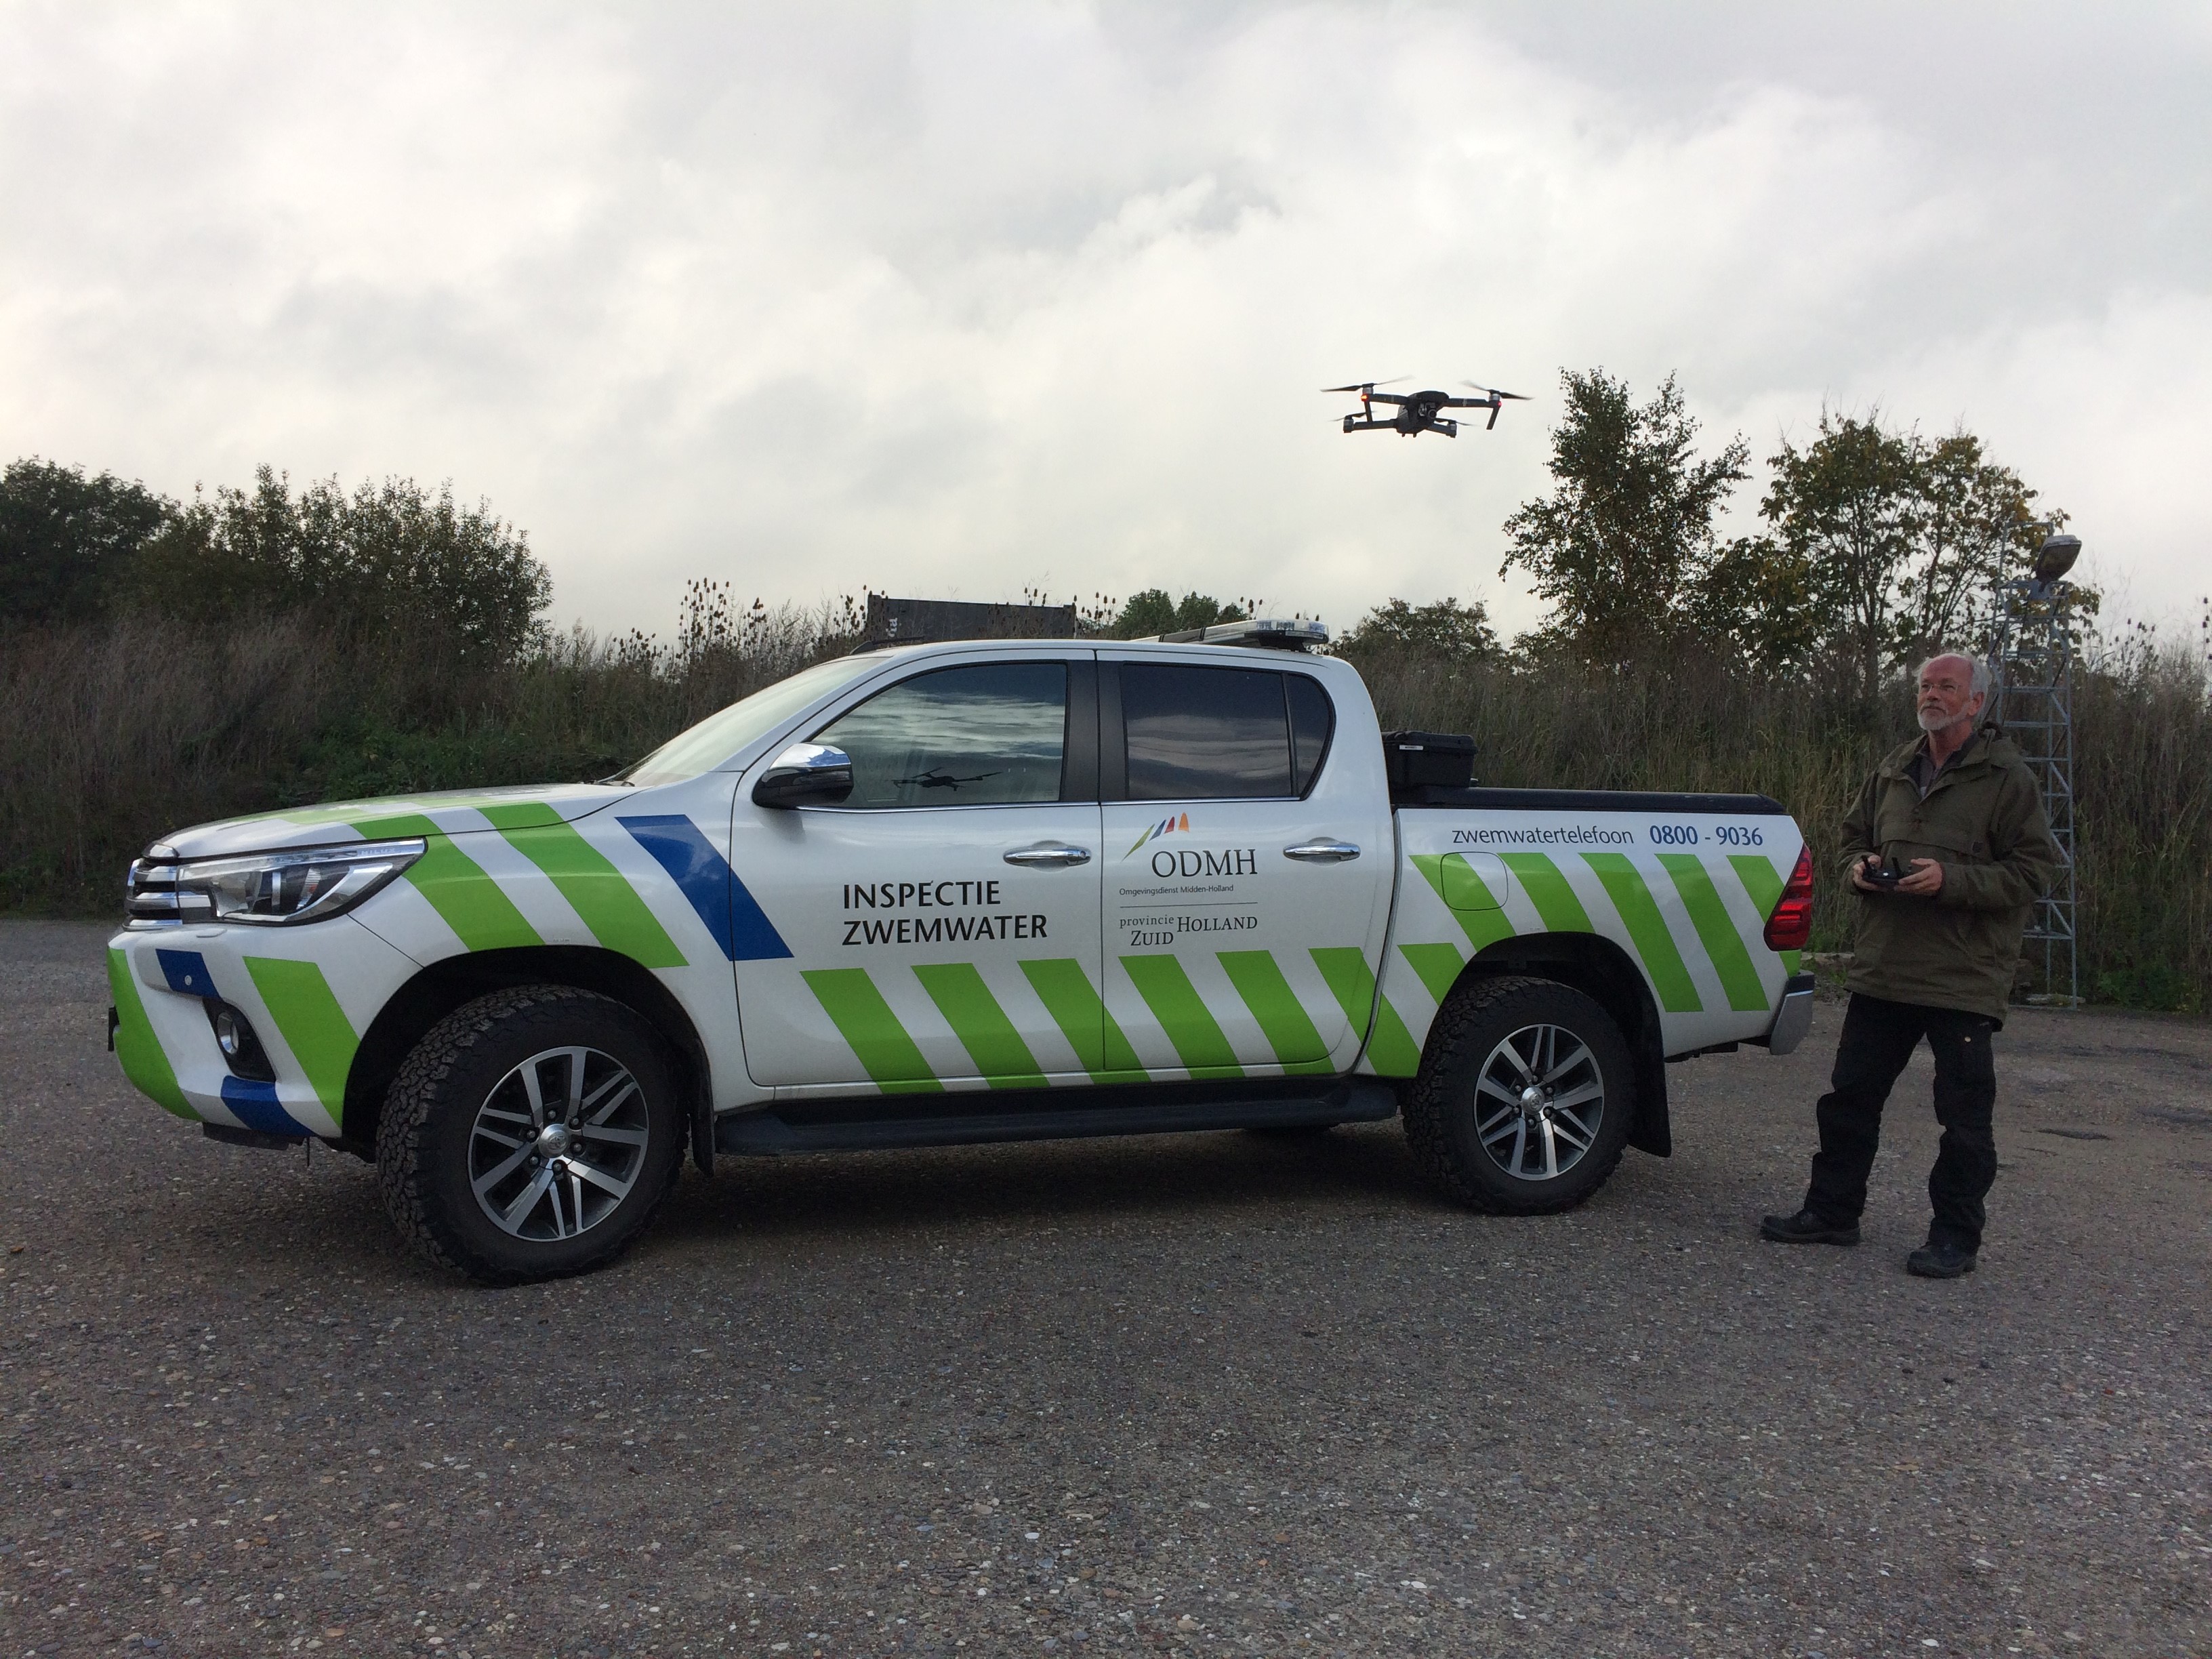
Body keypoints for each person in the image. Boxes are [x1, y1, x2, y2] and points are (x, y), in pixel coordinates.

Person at [1761, 651, 2061, 1278]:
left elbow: (2033, 872)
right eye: (1925, 686)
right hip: (1886, 967)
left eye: (1946, 687)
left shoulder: (2007, 779)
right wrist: (1858, 866)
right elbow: (1852, 838)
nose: (1932, 695)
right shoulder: (1894, 767)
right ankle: (1832, 1212)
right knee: (1849, 1099)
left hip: (1963, 977)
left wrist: (1952, 880)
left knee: (1964, 1120)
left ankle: (1955, 1239)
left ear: (1976, 702)